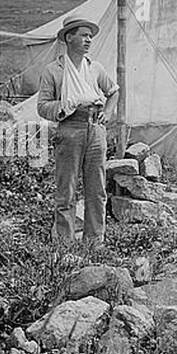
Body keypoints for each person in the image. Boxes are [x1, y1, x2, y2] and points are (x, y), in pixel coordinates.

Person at [37, 17, 118, 246]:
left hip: (95, 128)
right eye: (83, 35)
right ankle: (66, 245)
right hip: (70, 128)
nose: (88, 40)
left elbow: (113, 92)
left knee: (97, 189)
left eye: (90, 36)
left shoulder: (95, 68)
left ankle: (95, 243)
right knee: (67, 189)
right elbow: (42, 106)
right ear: (69, 37)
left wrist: (108, 114)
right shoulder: (54, 70)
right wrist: (63, 107)